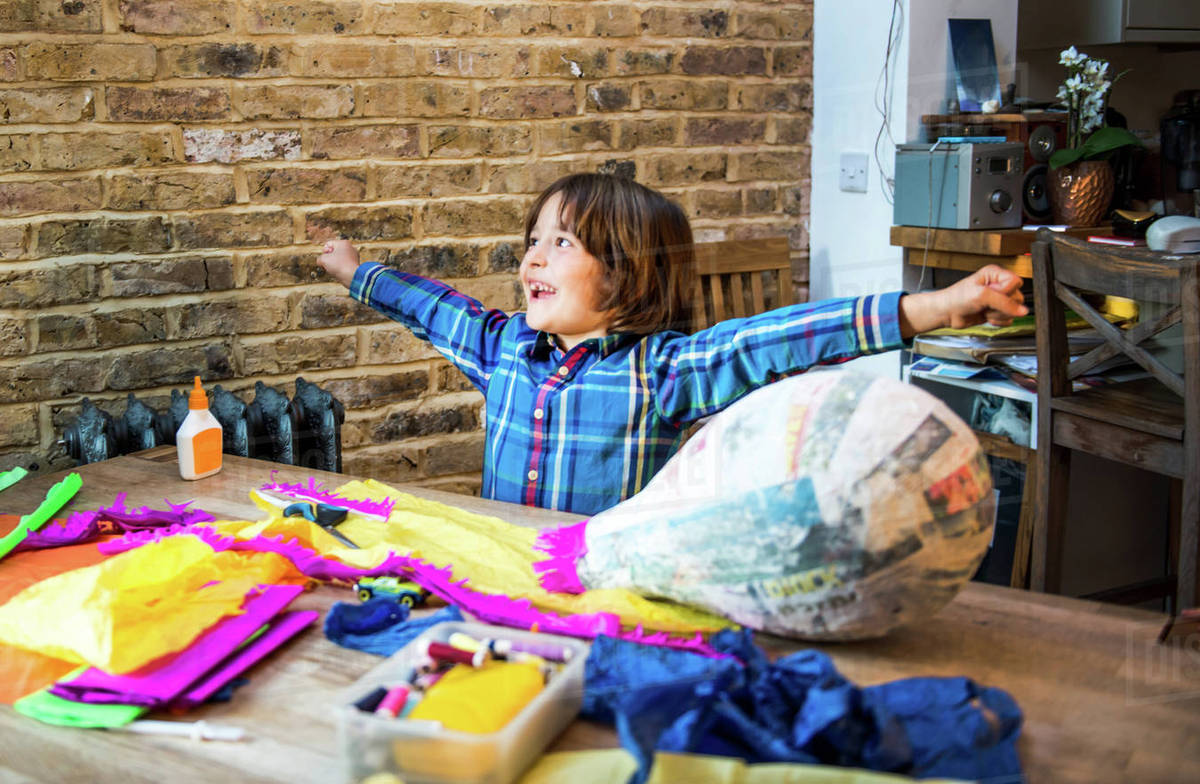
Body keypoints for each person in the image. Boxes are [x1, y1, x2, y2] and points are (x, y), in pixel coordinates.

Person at [318, 173, 1025, 516]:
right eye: (532, 241)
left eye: (560, 243)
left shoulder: (663, 372)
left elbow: (781, 339)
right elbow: (431, 307)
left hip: (614, 591)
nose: (532, 258)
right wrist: (358, 273)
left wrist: (936, 306)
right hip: (512, 575)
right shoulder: (505, 352)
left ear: (624, 273)